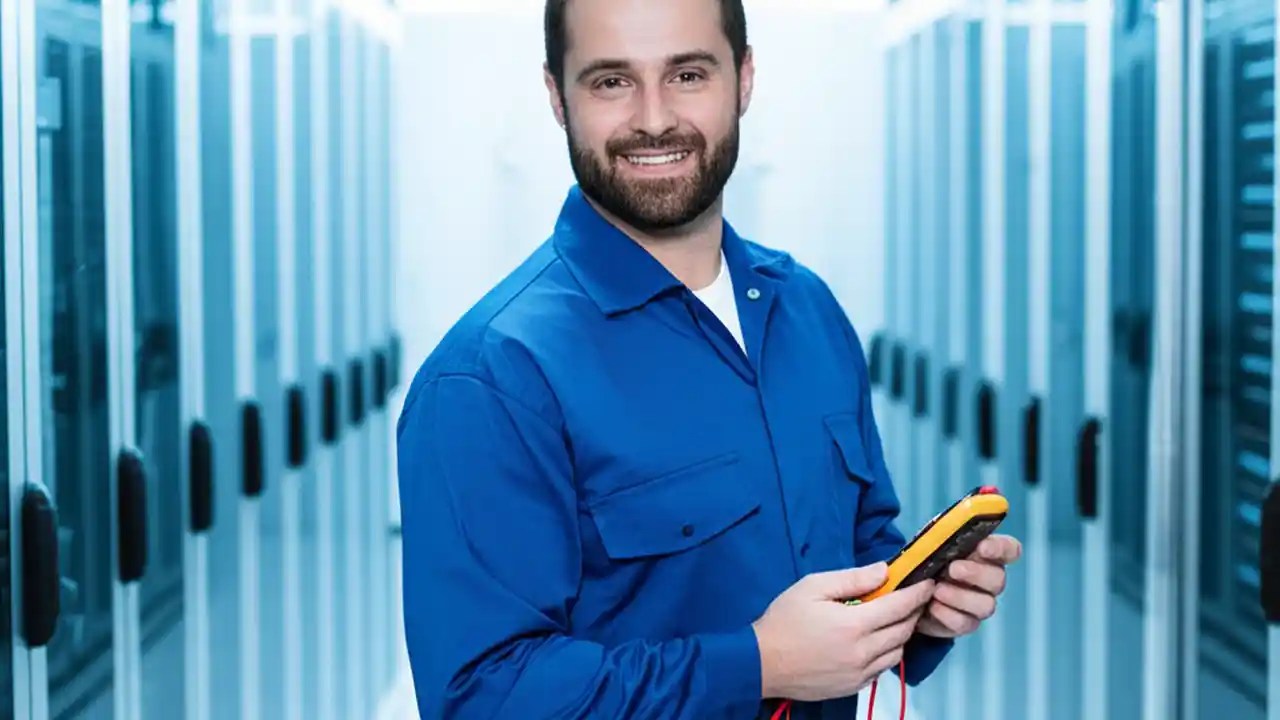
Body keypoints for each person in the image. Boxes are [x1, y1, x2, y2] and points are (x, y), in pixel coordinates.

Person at [395, 0, 1022, 717]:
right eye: (610, 81)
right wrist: (760, 664)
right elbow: (483, 696)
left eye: (688, 74)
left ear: (744, 78)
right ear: (556, 97)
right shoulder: (492, 376)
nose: (654, 118)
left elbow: (863, 545)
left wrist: (922, 607)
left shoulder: (806, 313)